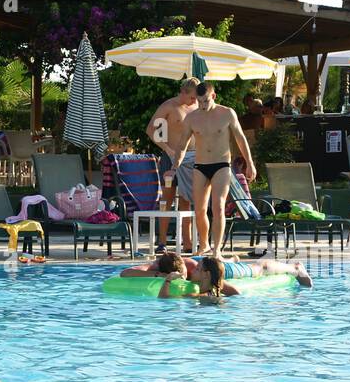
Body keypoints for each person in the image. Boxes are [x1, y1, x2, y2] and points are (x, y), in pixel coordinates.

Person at [173, 81, 257, 256]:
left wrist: (250, 163)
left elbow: (241, 139)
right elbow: (182, 145)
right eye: (199, 101)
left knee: (218, 206)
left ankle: (217, 249)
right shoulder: (192, 118)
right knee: (200, 209)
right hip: (201, 165)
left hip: (221, 165)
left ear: (213, 96)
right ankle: (204, 245)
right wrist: (175, 165)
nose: (202, 105)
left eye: (205, 101)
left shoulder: (226, 113)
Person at [146, 78, 200, 253]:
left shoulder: (197, 107)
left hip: (190, 159)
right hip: (171, 157)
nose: (194, 100)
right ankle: (161, 241)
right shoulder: (169, 106)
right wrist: (167, 149)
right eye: (192, 97)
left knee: (186, 199)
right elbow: (151, 130)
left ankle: (187, 242)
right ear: (183, 92)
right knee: (166, 199)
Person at [121, 250, 313, 288]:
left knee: (258, 267)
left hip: (217, 267)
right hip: (203, 260)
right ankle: (231, 258)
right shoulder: (158, 266)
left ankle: (295, 267)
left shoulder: (195, 268)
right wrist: (160, 275)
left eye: (186, 276)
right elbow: (125, 273)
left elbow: (223, 285)